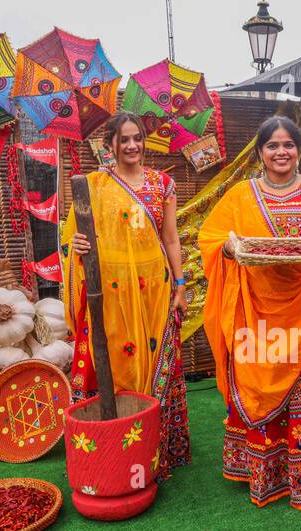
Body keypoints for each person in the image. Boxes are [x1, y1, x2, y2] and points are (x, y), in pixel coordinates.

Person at [199, 115, 301, 527]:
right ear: (260, 153)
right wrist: (231, 252)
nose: (281, 152)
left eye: (288, 144)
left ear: (298, 150)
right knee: (261, 379)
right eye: (272, 145)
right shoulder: (241, 194)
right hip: (259, 307)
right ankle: (272, 473)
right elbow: (212, 239)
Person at [63, 112, 191, 478]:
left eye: (138, 138)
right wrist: (78, 243)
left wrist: (180, 286)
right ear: (111, 145)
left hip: (155, 288)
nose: (133, 145)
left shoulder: (162, 184)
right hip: (111, 290)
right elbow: (75, 236)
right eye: (125, 140)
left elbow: (170, 238)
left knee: (154, 364)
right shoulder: (93, 184)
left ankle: (158, 446)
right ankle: (116, 448)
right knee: (117, 363)